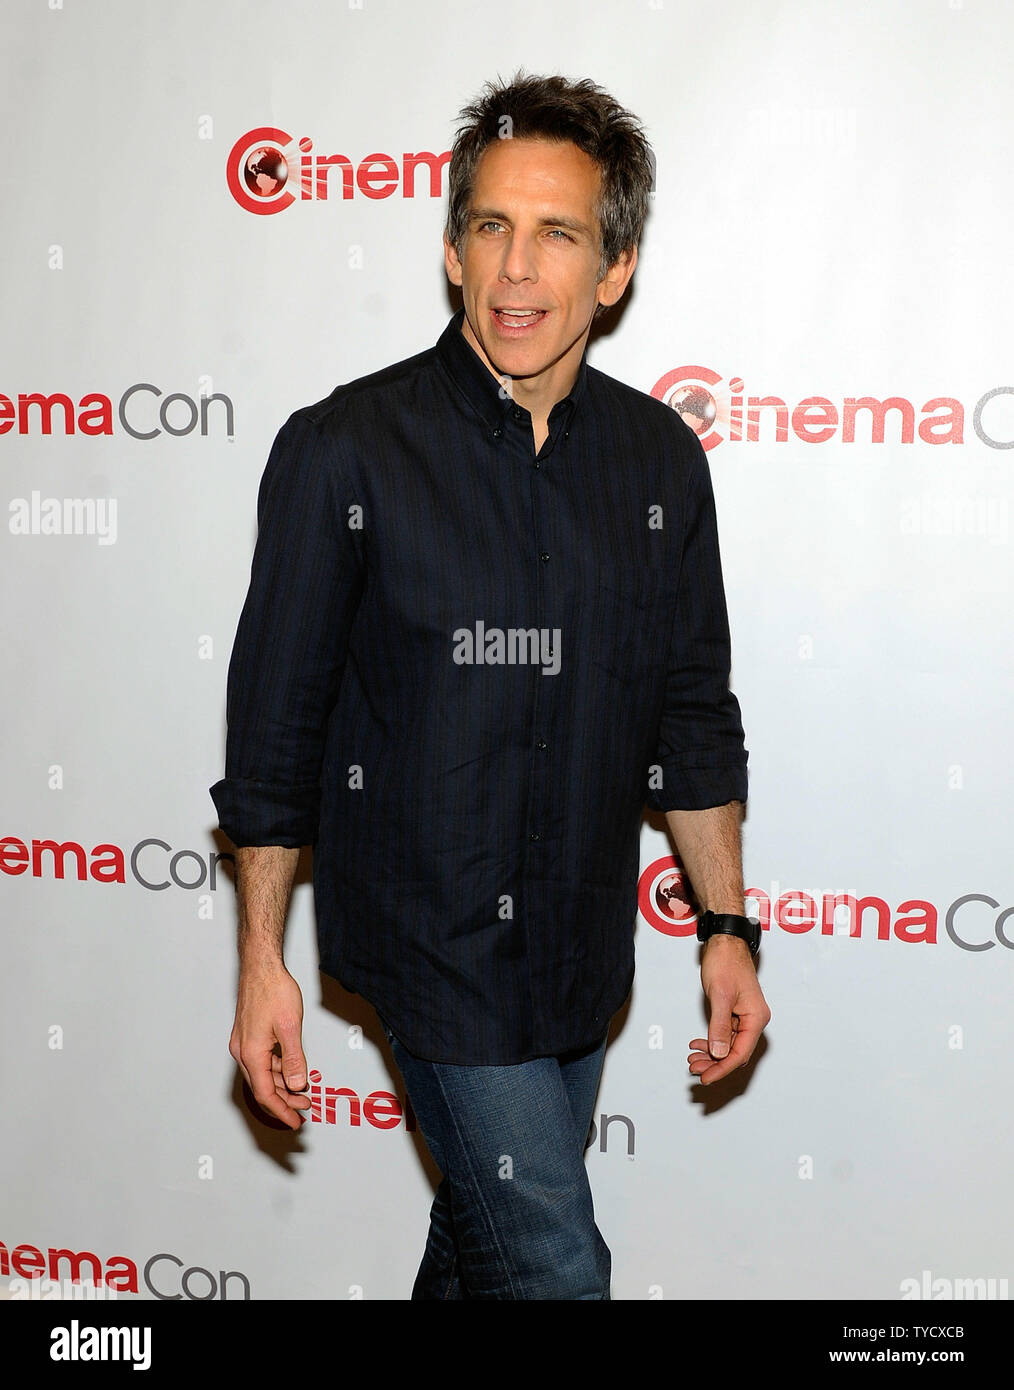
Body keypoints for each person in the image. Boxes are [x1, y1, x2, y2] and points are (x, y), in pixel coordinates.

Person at [210, 70, 771, 1301]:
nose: (518, 269)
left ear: (614, 268)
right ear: (454, 251)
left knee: (479, 1253)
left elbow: (691, 717)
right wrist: (261, 957)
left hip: (579, 958)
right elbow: (273, 740)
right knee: (556, 1271)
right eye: (491, 228)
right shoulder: (346, 448)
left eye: (558, 234)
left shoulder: (659, 462)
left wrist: (726, 926)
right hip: (433, 956)